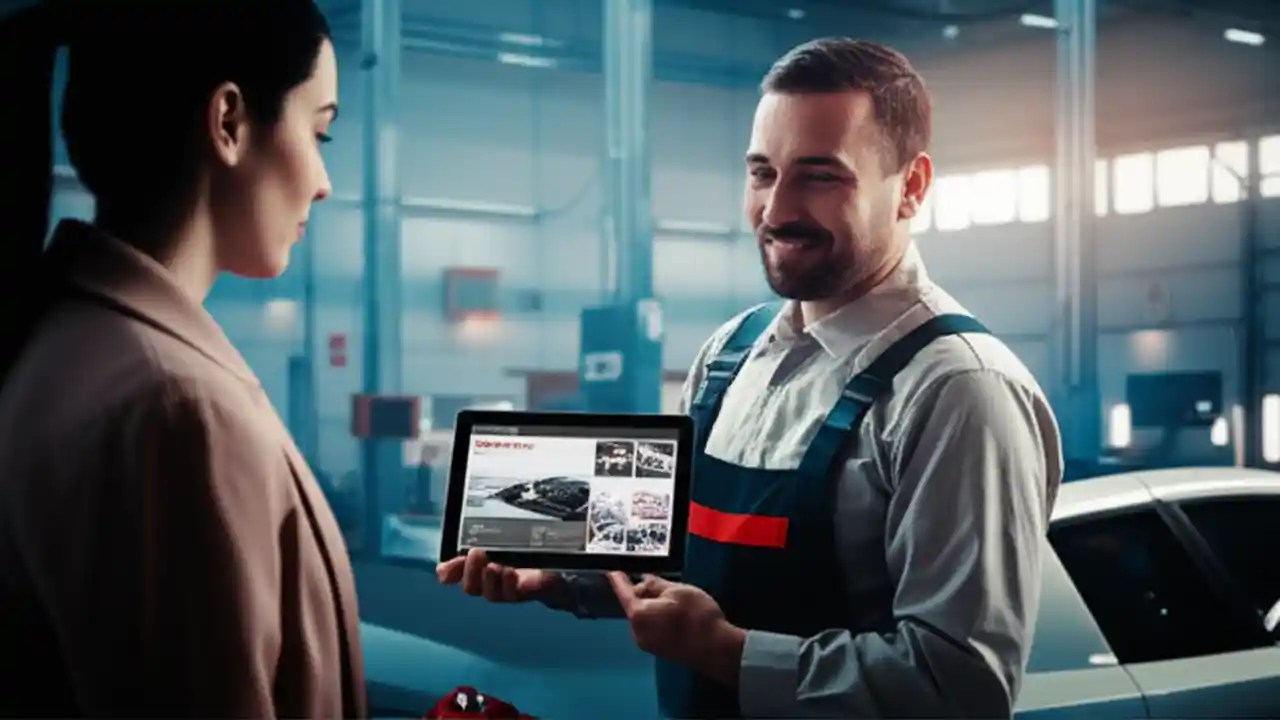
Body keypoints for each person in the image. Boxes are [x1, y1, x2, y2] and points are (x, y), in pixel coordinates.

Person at [439, 37, 1063, 719]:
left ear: (910, 187)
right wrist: (560, 576)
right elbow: (685, 558)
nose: (776, 209)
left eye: (819, 176)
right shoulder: (729, 354)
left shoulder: (959, 392)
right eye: (763, 173)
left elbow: (960, 689)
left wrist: (727, 651)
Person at [0, 2, 366, 716]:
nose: (323, 181)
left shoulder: (67, 344)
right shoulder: (177, 407)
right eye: (318, 131)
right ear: (229, 123)